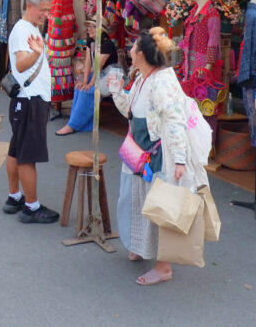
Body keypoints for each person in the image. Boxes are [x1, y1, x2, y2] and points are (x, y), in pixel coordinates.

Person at [110, 27, 204, 287]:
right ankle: (140, 245)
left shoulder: (162, 81)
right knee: (135, 198)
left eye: (132, 48)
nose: (129, 50)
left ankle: (164, 267)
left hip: (159, 153)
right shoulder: (143, 76)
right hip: (138, 149)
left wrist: (181, 160)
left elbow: (175, 121)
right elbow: (132, 110)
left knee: (161, 207)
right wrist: (118, 92)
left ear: (140, 55)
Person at [3, 0, 59, 224]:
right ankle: (31, 206)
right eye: (43, 10)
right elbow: (22, 64)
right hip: (30, 100)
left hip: (28, 100)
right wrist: (37, 54)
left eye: (48, 10)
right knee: (27, 156)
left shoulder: (29, 27)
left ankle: (14, 197)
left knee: (17, 149)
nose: (46, 15)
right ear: (30, 6)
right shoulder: (22, 29)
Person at [56, 22, 120, 136]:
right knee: (79, 87)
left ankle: (73, 125)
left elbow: (98, 66)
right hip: (99, 74)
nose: (89, 29)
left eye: (93, 27)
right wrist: (85, 81)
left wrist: (90, 83)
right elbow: (88, 61)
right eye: (89, 26)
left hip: (111, 74)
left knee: (89, 91)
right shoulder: (91, 41)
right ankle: (80, 123)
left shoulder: (107, 44)